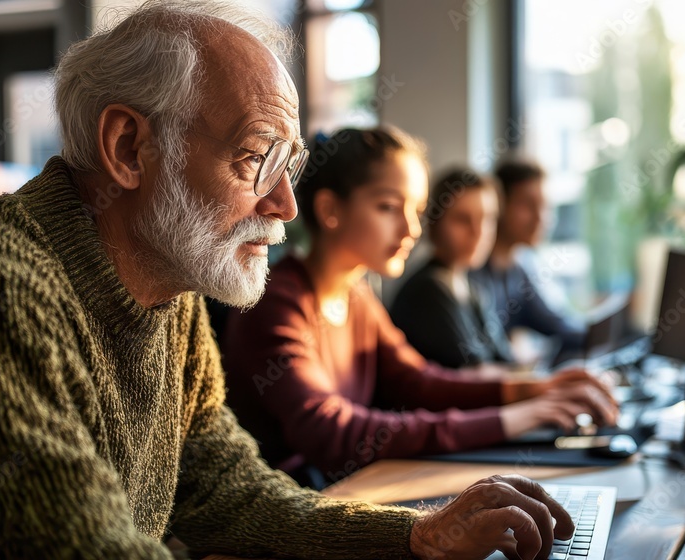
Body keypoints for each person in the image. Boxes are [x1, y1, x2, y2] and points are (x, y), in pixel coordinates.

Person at [0, 3, 588, 558]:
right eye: (257, 158)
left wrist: (418, 535)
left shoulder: (170, 285)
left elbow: (225, 490)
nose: (286, 206)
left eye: (287, 168)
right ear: (127, 148)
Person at [223, 128, 618, 489]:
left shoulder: (356, 295)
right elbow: (333, 434)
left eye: (416, 209)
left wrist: (537, 389)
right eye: (389, 207)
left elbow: (419, 382)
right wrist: (521, 416)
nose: (411, 229)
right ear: (330, 210)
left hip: (335, 494)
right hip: (278, 519)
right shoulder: (275, 303)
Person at [390, 168, 513, 369]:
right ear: (435, 225)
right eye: (463, 219)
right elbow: (471, 374)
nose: (479, 232)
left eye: (488, 219)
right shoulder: (428, 291)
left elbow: (504, 360)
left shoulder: (472, 289)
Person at [474, 160, 587, 365]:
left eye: (544, 206)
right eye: (528, 205)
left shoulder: (518, 269)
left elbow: (556, 324)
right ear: (499, 206)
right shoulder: (470, 273)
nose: (540, 218)